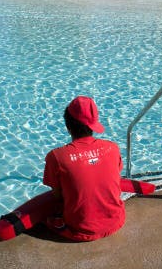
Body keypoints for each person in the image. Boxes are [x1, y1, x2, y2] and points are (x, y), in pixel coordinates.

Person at [42, 96, 125, 241]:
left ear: (68, 126)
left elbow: (57, 196)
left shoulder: (56, 157)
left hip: (79, 230)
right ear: (93, 125)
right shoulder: (113, 148)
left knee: (44, 219)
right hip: (116, 221)